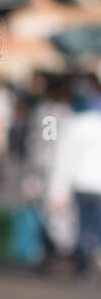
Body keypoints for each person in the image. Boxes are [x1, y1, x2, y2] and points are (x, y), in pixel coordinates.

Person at [47, 77, 101, 280]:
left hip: (80, 183)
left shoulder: (73, 125)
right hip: (97, 185)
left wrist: (56, 190)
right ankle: (92, 256)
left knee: (81, 227)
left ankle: (84, 267)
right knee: (95, 225)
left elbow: (64, 161)